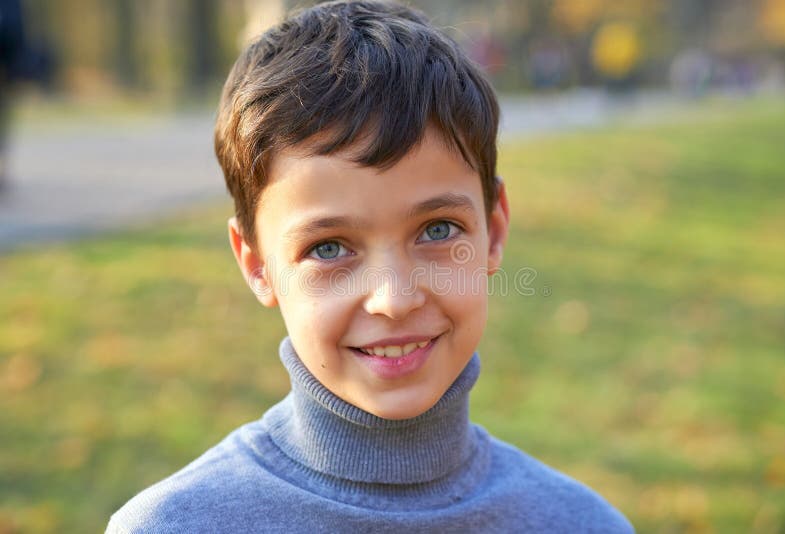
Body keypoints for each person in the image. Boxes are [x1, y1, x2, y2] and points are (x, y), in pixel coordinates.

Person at [106, 1, 634, 532]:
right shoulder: (173, 526)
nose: (395, 299)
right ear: (257, 264)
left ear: (493, 232)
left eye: (437, 230)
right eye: (330, 248)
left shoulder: (583, 523)